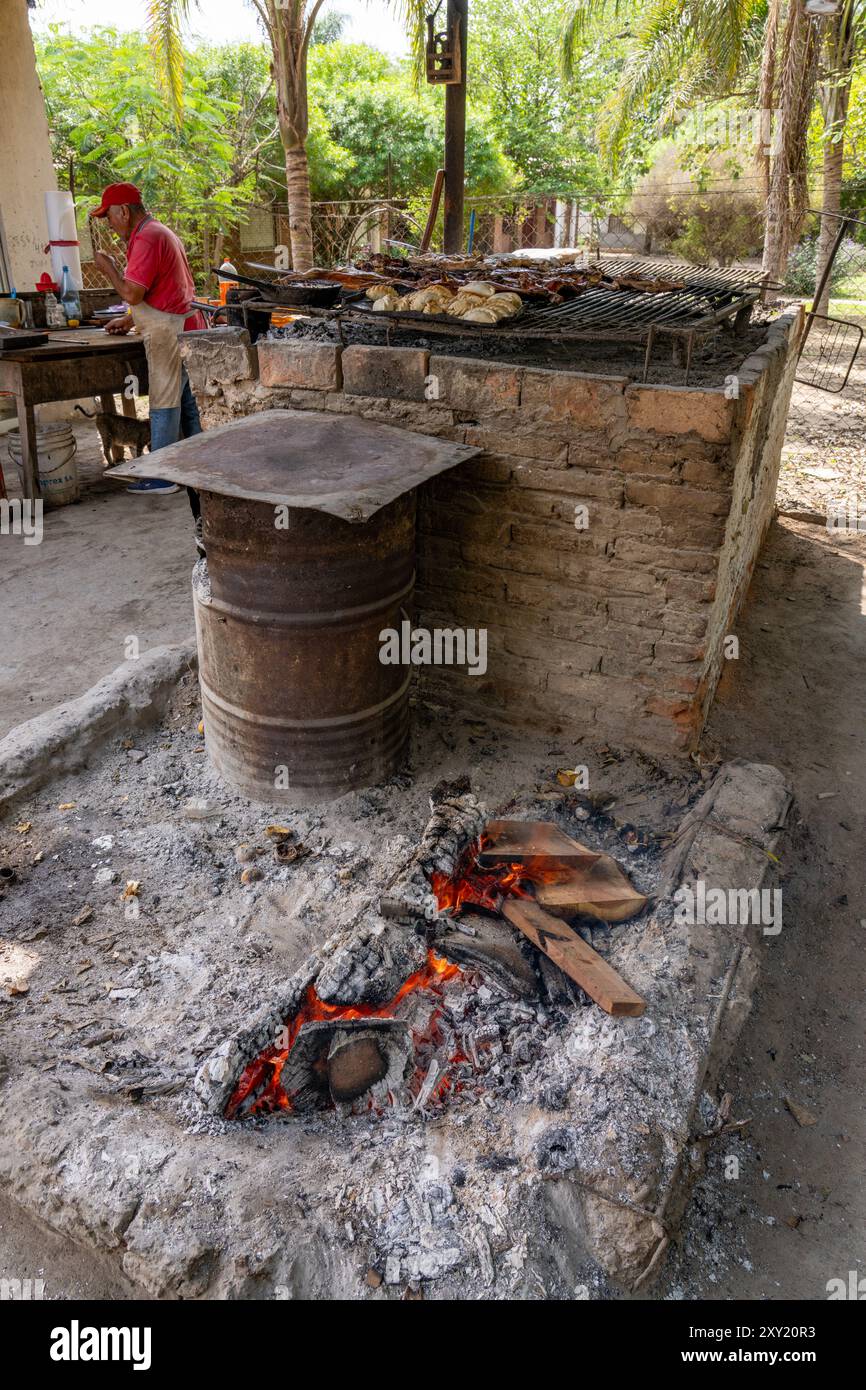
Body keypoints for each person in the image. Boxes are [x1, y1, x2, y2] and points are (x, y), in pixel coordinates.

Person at [89, 182, 204, 504]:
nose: (109, 224)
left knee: (164, 402)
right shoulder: (156, 232)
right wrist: (129, 319)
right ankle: (199, 465)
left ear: (124, 211)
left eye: (109, 216)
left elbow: (132, 293)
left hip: (169, 330)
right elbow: (163, 289)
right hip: (181, 323)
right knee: (187, 402)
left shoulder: (148, 237)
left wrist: (108, 268)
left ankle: (159, 476)